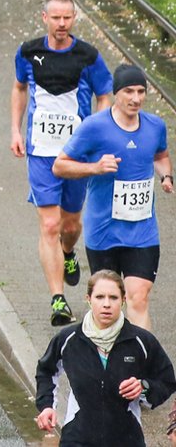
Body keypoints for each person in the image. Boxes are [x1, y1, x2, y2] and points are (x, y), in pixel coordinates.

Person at [12, 0, 113, 325]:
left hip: (75, 155)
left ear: (74, 19)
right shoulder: (28, 52)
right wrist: (15, 129)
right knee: (50, 224)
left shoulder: (87, 55)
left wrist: (98, 136)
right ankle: (58, 300)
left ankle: (69, 253)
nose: (61, 24)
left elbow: (104, 96)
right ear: (44, 18)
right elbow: (19, 88)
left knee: (70, 225)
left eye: (67, 18)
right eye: (55, 17)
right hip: (41, 152)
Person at [55, 63, 172, 329]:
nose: (136, 98)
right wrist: (94, 167)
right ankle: (109, 364)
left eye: (141, 91)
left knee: (138, 298)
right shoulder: (94, 127)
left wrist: (166, 176)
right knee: (108, 306)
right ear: (116, 93)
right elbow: (60, 165)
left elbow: (161, 155)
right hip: (103, 232)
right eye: (129, 91)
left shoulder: (155, 126)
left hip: (143, 232)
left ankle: (140, 364)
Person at [35, 268, 176, 447]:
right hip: (78, 438)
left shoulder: (141, 341)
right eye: (100, 297)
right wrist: (47, 406)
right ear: (88, 300)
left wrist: (143, 388)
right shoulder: (69, 339)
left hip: (127, 439)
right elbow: (46, 371)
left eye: (114, 298)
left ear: (123, 301)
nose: (106, 304)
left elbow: (167, 381)